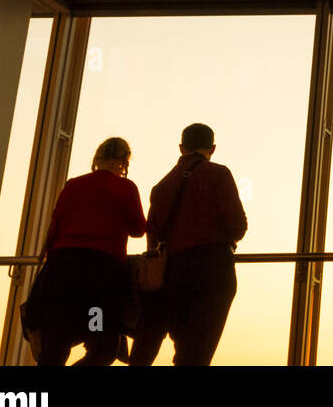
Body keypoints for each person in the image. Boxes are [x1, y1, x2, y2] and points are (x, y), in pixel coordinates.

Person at [133, 122, 247, 366]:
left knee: (185, 350)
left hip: (173, 273)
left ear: (181, 147)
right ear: (212, 148)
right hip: (213, 270)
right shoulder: (219, 174)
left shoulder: (161, 187)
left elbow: (152, 235)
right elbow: (238, 226)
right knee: (196, 355)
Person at [29, 136, 145, 366]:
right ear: (124, 161)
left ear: (97, 158)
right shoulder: (125, 187)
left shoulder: (73, 185)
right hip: (100, 280)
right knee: (102, 346)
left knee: (55, 345)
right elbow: (138, 229)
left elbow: (55, 228)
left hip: (62, 275)